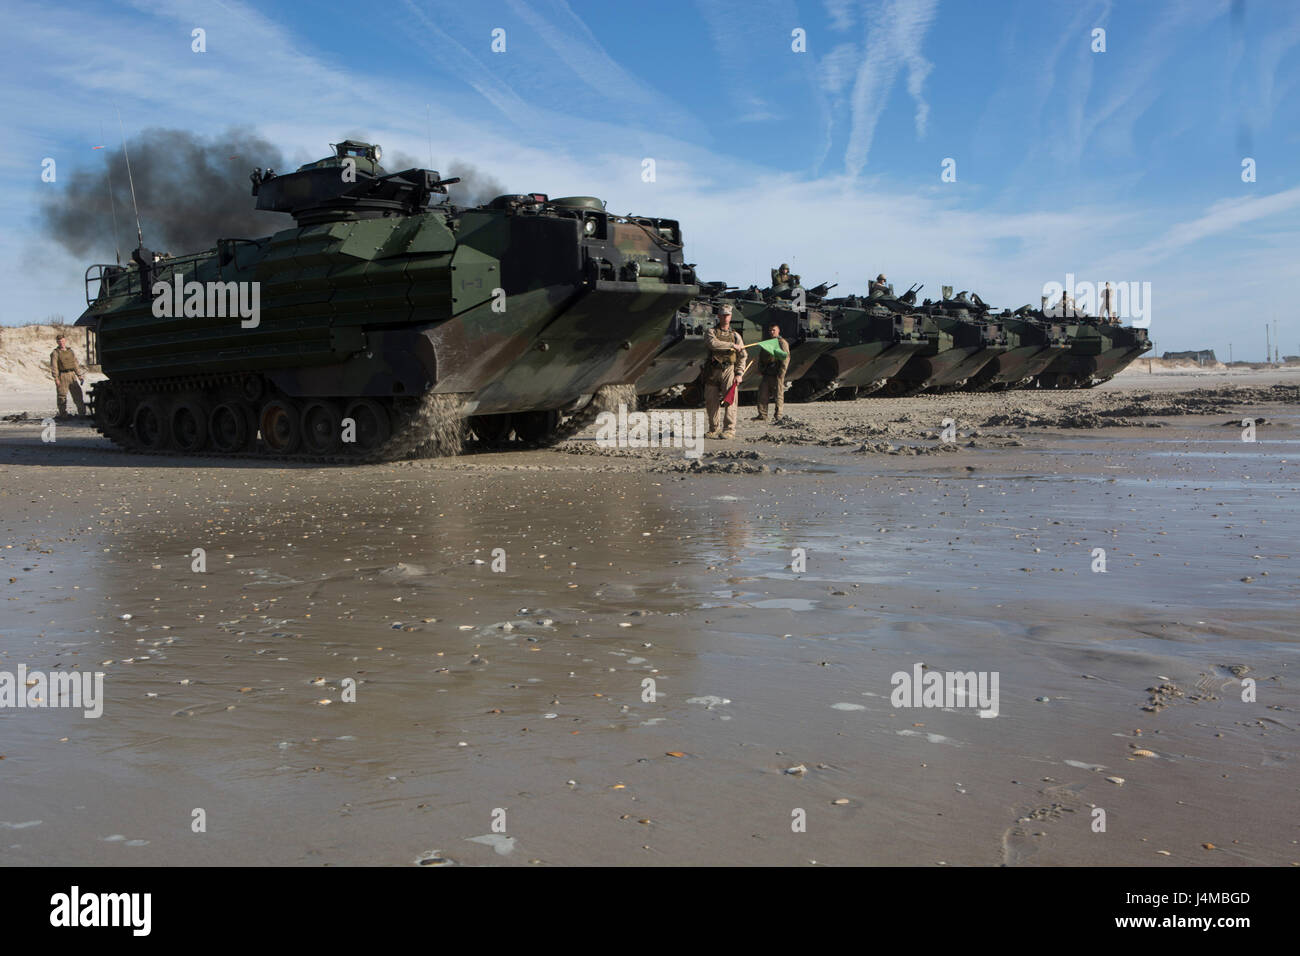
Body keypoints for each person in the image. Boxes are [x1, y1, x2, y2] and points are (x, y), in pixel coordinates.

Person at [703, 304, 747, 439]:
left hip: (729, 370)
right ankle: (713, 428)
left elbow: (743, 355)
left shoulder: (735, 336)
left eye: (727, 315)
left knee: (730, 400)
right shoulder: (711, 332)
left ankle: (729, 429)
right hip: (712, 370)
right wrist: (731, 346)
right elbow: (713, 344)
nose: (725, 317)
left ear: (731, 316)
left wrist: (739, 373)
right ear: (718, 316)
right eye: (723, 315)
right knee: (711, 401)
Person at [753, 323, 790, 422]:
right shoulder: (768, 343)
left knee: (778, 395)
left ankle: (778, 415)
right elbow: (761, 357)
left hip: (776, 372)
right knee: (762, 395)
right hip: (767, 372)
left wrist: (782, 373)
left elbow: (785, 358)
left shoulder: (782, 343)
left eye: (774, 330)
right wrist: (760, 369)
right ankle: (762, 414)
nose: (772, 332)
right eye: (770, 330)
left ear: (778, 331)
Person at [50, 334, 86, 418]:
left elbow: (75, 364)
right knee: (62, 396)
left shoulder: (70, 351)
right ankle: (63, 414)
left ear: (65, 340)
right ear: (57, 342)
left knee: (78, 395)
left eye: (62, 341)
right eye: (59, 341)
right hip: (62, 375)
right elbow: (54, 366)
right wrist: (56, 378)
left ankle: (82, 413)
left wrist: (79, 375)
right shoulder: (55, 353)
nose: (61, 343)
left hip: (72, 375)